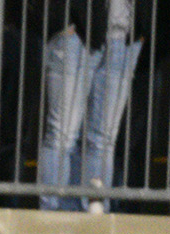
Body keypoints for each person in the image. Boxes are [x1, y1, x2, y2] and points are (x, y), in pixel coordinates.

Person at [33, 1, 144, 212]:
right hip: (77, 33)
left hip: (125, 39)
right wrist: (64, 21)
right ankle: (51, 215)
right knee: (62, 134)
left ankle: (93, 215)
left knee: (103, 139)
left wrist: (142, 27)